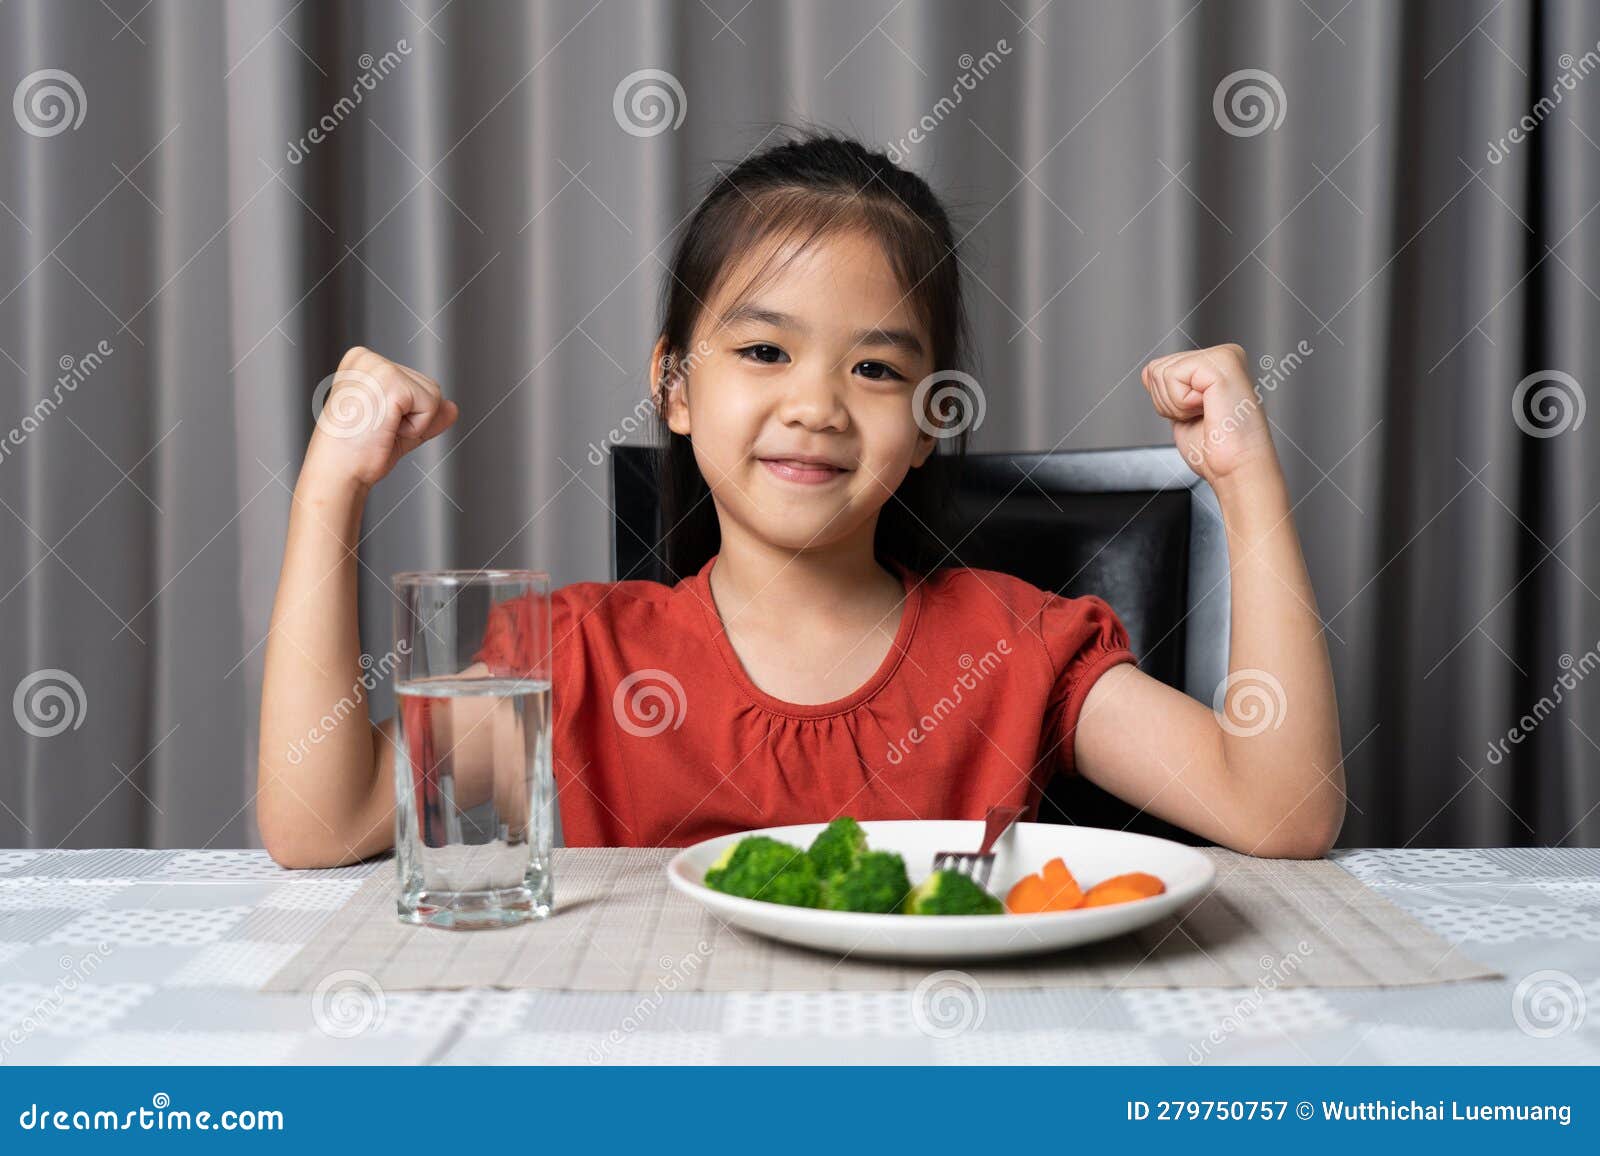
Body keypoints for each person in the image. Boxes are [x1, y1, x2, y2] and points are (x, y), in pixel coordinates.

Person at [257, 132, 1343, 867]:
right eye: (765, 349)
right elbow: (324, 821)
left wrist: (1243, 482)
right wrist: (327, 498)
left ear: (929, 423)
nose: (817, 404)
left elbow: (1279, 810)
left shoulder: (1013, 649)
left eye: (875, 369)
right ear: (675, 387)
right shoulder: (571, 663)